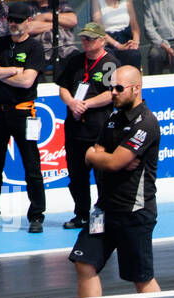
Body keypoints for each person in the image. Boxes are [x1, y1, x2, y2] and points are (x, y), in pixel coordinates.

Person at [69, 65, 162, 297]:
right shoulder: (113, 116)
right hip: (104, 209)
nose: (113, 93)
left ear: (136, 88)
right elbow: (98, 153)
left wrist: (99, 157)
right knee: (84, 262)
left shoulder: (146, 123)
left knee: (141, 279)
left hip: (133, 211)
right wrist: (96, 155)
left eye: (119, 89)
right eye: (111, 88)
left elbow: (113, 163)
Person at [0, 2, 47, 233]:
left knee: (31, 166)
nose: (13, 24)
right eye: (10, 20)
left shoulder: (35, 48)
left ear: (28, 22)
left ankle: (36, 216)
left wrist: (0, 73)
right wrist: (14, 70)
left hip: (24, 111)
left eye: (18, 20)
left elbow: (27, 81)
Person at [57, 22, 119, 229]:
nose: (86, 42)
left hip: (99, 128)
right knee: (76, 176)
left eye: (90, 38)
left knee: (102, 176)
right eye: (84, 38)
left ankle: (103, 214)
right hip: (75, 128)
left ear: (102, 40)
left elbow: (111, 94)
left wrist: (86, 104)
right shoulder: (75, 60)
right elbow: (63, 87)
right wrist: (72, 102)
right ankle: (81, 213)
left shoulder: (110, 63)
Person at [27, 0, 78, 75]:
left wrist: (44, 16)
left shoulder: (60, 4)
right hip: (40, 50)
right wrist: (59, 23)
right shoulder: (27, 7)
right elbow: (28, 28)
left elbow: (73, 20)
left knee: (78, 62)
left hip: (65, 48)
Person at [92, 0, 140, 69]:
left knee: (134, 55)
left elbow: (134, 26)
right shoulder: (97, 1)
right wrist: (118, 45)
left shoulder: (127, 1)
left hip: (126, 38)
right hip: (107, 41)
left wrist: (135, 43)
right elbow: (98, 28)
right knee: (108, 59)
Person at [143, 0, 174, 73]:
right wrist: (165, 46)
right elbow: (148, 28)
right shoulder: (148, 2)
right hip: (159, 43)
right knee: (154, 55)